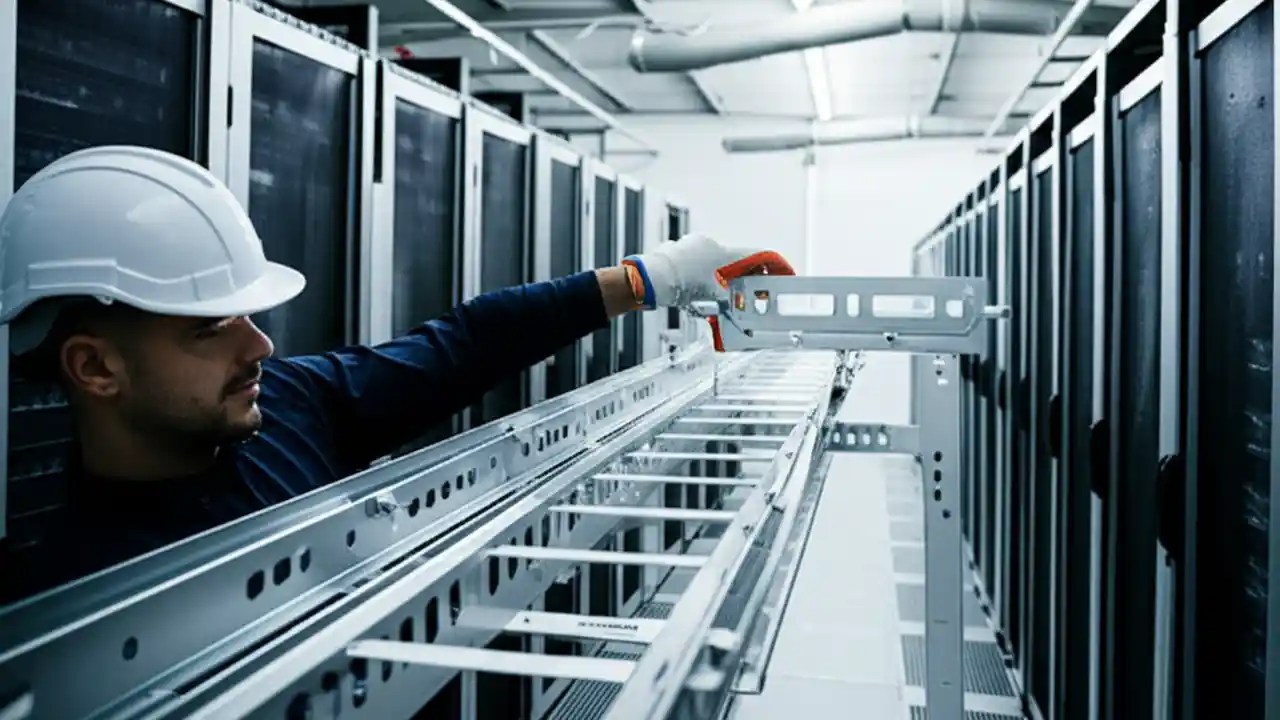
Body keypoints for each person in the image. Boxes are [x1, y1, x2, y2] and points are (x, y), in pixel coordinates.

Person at [0, 145, 793, 601]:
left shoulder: (291, 407)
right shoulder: (84, 602)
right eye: (214, 328)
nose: (261, 348)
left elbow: (460, 344)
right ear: (95, 368)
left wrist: (650, 278)